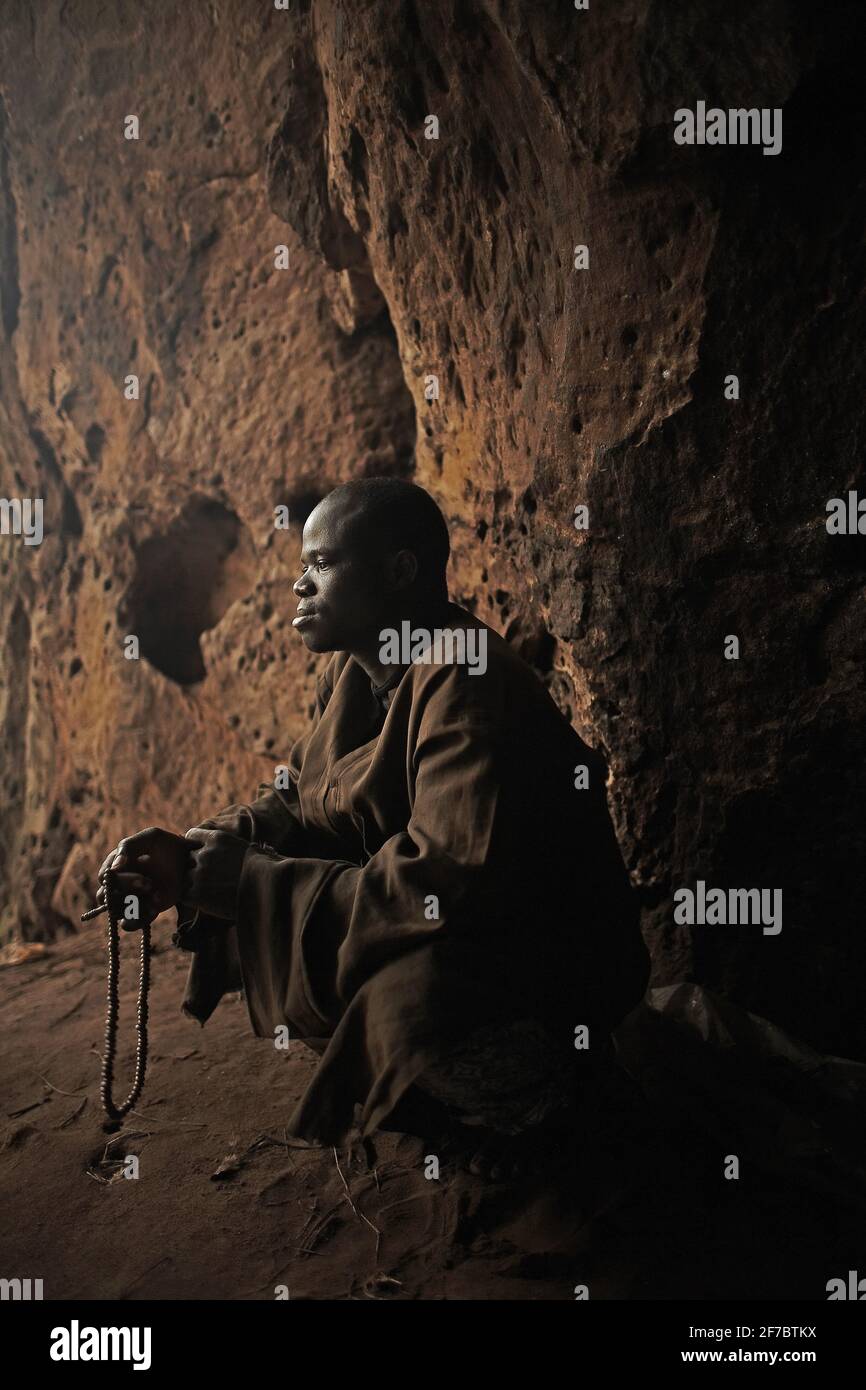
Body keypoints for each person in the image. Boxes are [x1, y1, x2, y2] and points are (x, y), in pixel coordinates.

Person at [97, 478, 649, 1177]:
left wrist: (249, 882)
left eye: (322, 564)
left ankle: (543, 1110)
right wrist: (191, 851)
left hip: (544, 977)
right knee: (264, 910)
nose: (299, 585)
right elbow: (296, 801)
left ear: (399, 572)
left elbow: (440, 885)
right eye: (302, 566)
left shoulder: (465, 682)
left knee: (396, 997)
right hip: (465, 937)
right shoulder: (352, 676)